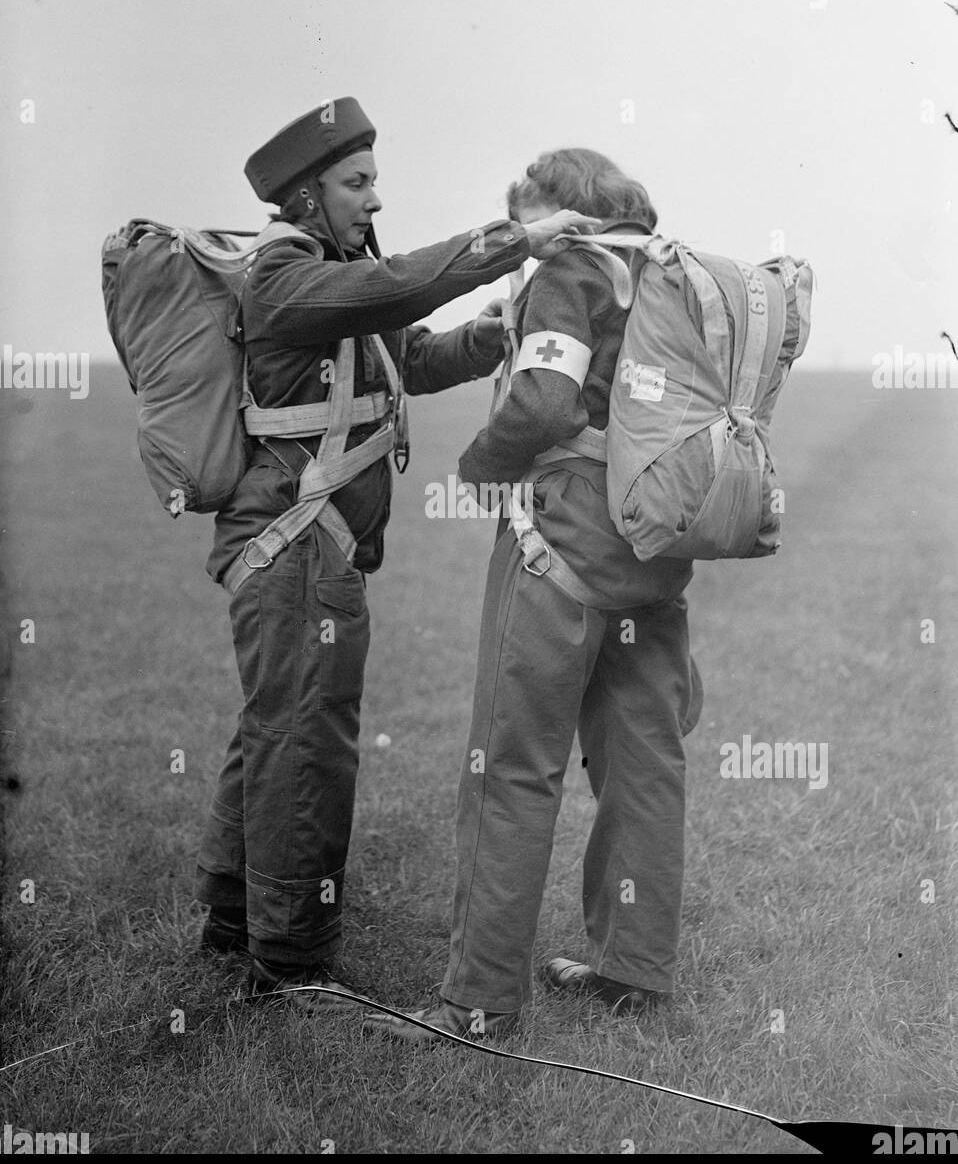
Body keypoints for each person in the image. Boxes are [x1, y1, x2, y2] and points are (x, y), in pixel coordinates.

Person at [193, 101, 596, 1009]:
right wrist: (516, 241)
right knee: (308, 739)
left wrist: (483, 340)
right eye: (357, 183)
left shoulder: (341, 272)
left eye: (374, 180)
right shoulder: (282, 275)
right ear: (305, 198)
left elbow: (404, 353)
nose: (375, 200)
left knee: (275, 726)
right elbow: (399, 291)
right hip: (296, 543)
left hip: (313, 546)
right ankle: (290, 961)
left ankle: (230, 918)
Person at [368, 147, 704, 1043]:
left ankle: (474, 1002)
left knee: (511, 767)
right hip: (657, 551)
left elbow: (548, 404)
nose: (524, 243)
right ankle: (635, 970)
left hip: (562, 542)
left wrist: (483, 462)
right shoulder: (669, 280)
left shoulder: (568, 273)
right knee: (644, 762)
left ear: (564, 211)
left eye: (528, 220)